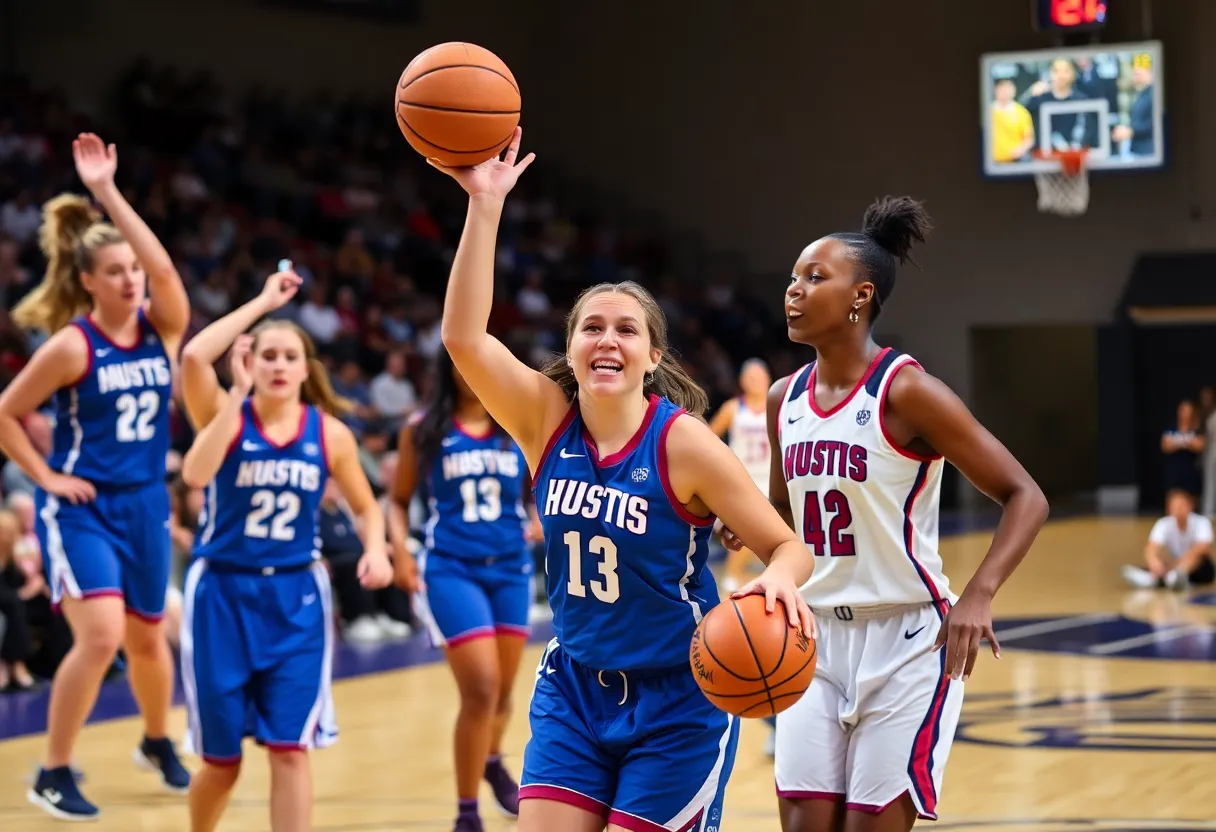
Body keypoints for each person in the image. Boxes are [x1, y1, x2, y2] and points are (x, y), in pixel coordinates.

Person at [427, 128, 816, 832]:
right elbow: (463, 337)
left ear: (652, 354)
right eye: (592, 328)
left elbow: (788, 547)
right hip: (574, 687)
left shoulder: (685, 444)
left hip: (679, 698)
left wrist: (779, 579)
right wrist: (484, 206)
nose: (608, 339)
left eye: (627, 330)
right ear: (571, 350)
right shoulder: (545, 420)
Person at [722, 195, 1049, 832]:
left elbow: (1025, 495)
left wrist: (979, 594)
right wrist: (750, 522)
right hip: (810, 637)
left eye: (815, 277)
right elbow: (785, 512)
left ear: (860, 297)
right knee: (804, 825)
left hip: (906, 642)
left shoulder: (908, 392)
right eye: (792, 278)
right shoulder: (784, 398)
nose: (794, 290)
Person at [0, 134, 192, 820]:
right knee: (103, 636)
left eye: (132, 269)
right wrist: (45, 478)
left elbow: (167, 273)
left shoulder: (160, 329)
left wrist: (108, 192)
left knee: (148, 638)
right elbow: (6, 413)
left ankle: (157, 740)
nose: (131, 279)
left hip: (145, 505)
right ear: (87, 280)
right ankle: (52, 770)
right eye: (114, 272)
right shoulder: (71, 346)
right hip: (82, 508)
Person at [177, 269, 394, 832]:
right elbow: (195, 366)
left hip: (296, 597)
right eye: (267, 355)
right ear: (251, 361)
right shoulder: (229, 413)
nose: (276, 365)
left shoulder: (329, 433)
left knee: (289, 750)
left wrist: (376, 549)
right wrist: (261, 305)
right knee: (221, 764)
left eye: (288, 356)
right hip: (221, 594)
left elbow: (369, 507)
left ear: (305, 369)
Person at [391, 346, 541, 832]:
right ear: (449, 367)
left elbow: (541, 489)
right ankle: (466, 811)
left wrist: (539, 518)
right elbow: (396, 501)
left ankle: (493, 760)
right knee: (480, 689)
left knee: (501, 695)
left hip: (510, 569)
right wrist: (399, 551)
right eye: (463, 361)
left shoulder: (516, 426)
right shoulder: (422, 430)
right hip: (452, 569)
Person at [707, 358, 773, 594]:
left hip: (770, 480)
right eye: (750, 378)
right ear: (742, 382)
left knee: (761, 533)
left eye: (759, 377)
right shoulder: (733, 408)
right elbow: (707, 438)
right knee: (747, 531)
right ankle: (733, 576)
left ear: (768, 380)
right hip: (741, 479)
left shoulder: (777, 407)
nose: (754, 382)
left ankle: (743, 576)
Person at [1122, 488, 1216, 591]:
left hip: (1200, 569)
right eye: (1175, 506)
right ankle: (1163, 578)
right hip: (1174, 565)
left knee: (1195, 558)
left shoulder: (1202, 522)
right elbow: (1152, 548)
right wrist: (1153, 561)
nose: (1178, 509)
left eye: (1181, 506)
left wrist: (1178, 565)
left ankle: (1168, 578)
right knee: (1160, 565)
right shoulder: (1163, 524)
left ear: (1190, 506)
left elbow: (1202, 548)